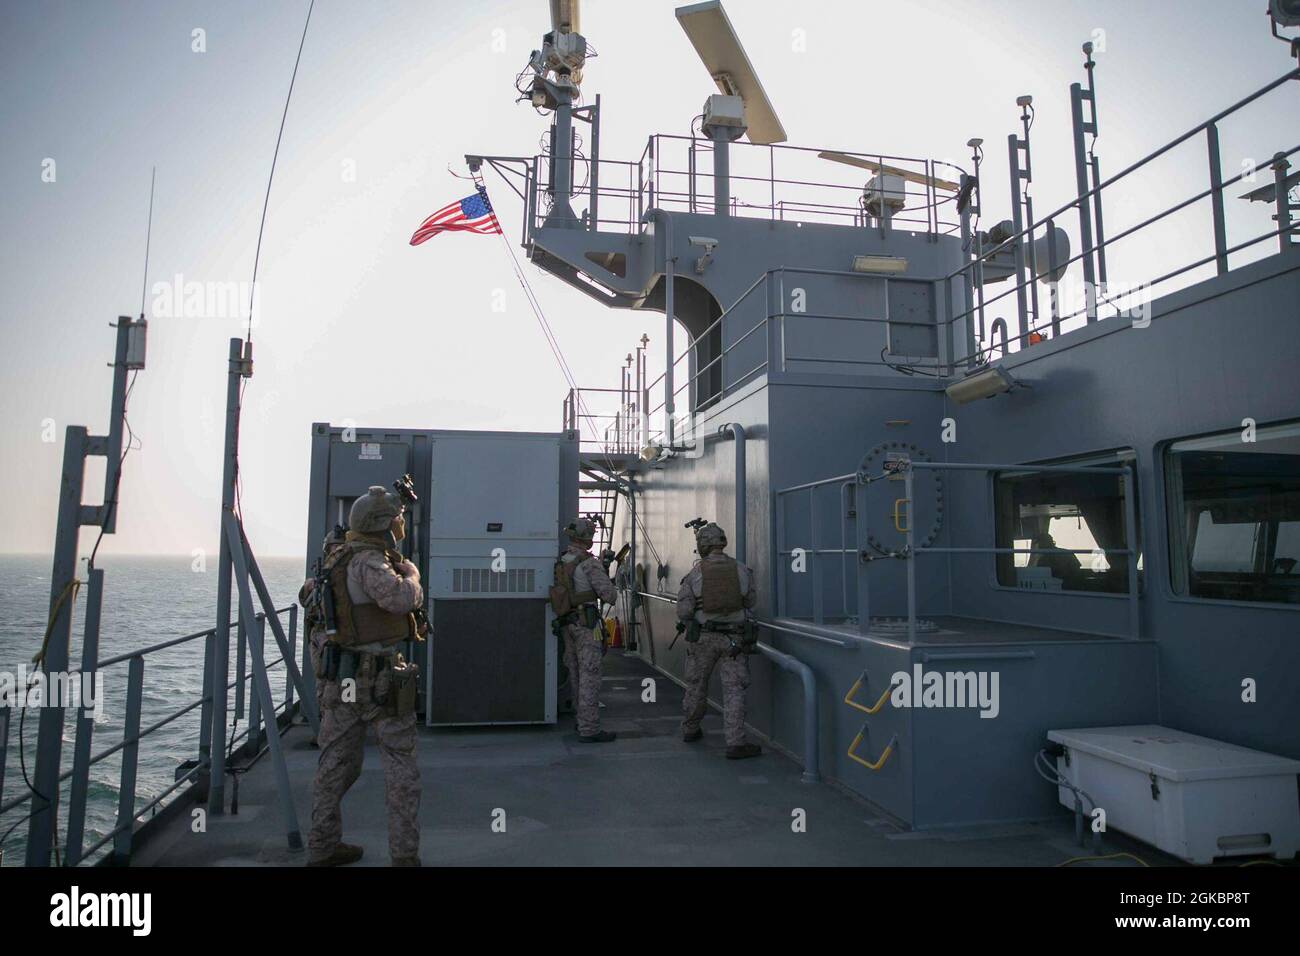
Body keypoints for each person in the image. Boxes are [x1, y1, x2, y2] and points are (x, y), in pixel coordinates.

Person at [307, 486, 424, 867]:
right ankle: (404, 856)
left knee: (336, 764)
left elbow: (310, 600)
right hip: (380, 681)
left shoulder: (336, 556)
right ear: (383, 525)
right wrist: (412, 575)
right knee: (400, 768)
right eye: (396, 519)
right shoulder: (371, 562)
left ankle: (322, 847)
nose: (400, 524)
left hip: (341, 680)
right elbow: (400, 599)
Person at [676, 523, 761, 759]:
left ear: (703, 544)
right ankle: (735, 743)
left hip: (703, 638)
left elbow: (684, 611)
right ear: (722, 543)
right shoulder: (742, 569)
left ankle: (690, 729)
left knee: (696, 685)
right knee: (734, 690)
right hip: (734, 640)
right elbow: (751, 602)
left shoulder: (696, 572)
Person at [555, 517, 619, 743]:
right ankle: (589, 728)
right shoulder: (589, 563)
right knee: (590, 675)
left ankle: (580, 720)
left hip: (568, 623)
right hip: (586, 625)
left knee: (575, 673)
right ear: (588, 539)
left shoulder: (563, 559)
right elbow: (609, 595)